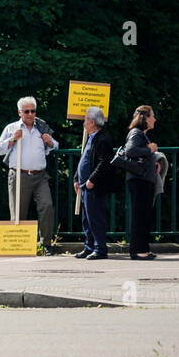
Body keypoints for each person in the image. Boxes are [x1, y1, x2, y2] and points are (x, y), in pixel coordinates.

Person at [0, 96, 59, 252]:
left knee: (47, 206)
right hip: (19, 174)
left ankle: (46, 245)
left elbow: (55, 145)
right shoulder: (12, 128)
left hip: (40, 175)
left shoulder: (42, 127)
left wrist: (50, 142)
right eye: (27, 111)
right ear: (20, 112)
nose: (30, 114)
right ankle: (18, 247)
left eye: (33, 111)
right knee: (18, 211)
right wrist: (12, 139)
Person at [73, 107, 114, 260]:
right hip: (84, 186)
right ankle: (89, 246)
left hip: (94, 186)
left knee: (95, 218)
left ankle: (100, 249)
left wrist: (92, 179)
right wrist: (77, 178)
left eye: (85, 120)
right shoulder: (90, 137)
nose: (83, 123)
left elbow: (105, 162)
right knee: (86, 218)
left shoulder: (103, 139)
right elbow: (83, 159)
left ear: (91, 122)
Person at [122, 105, 161, 261]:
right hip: (139, 181)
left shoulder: (141, 135)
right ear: (144, 118)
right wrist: (150, 150)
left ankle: (143, 249)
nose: (155, 119)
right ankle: (137, 251)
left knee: (144, 215)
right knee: (140, 215)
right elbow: (130, 151)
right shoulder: (136, 133)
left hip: (143, 180)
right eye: (152, 116)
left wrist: (153, 162)